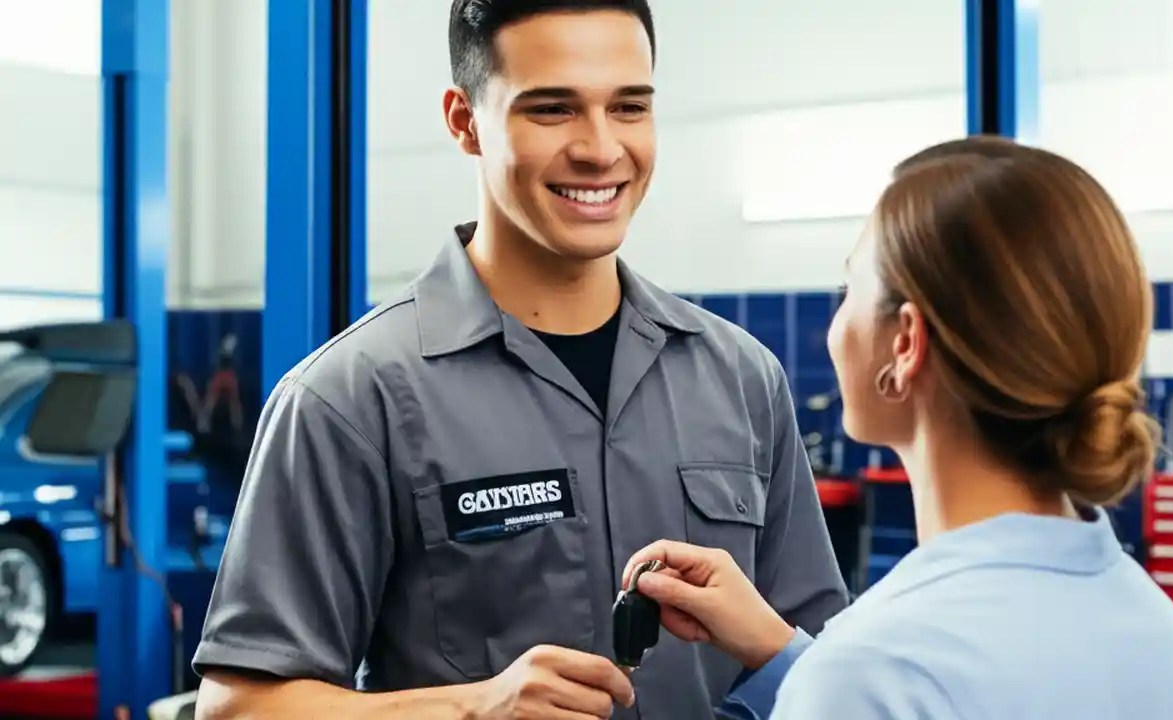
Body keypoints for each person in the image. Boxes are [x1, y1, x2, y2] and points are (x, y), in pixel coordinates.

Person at [191, 1, 848, 718]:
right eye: (552, 110)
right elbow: (239, 705)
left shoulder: (741, 377)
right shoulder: (350, 399)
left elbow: (822, 662)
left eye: (628, 107)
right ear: (464, 121)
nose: (601, 148)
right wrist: (472, 710)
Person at [621, 136, 1173, 719]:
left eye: (850, 291)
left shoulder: (874, 668)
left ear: (905, 344)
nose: (838, 321)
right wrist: (784, 653)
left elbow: (881, 685)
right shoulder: (1149, 618)